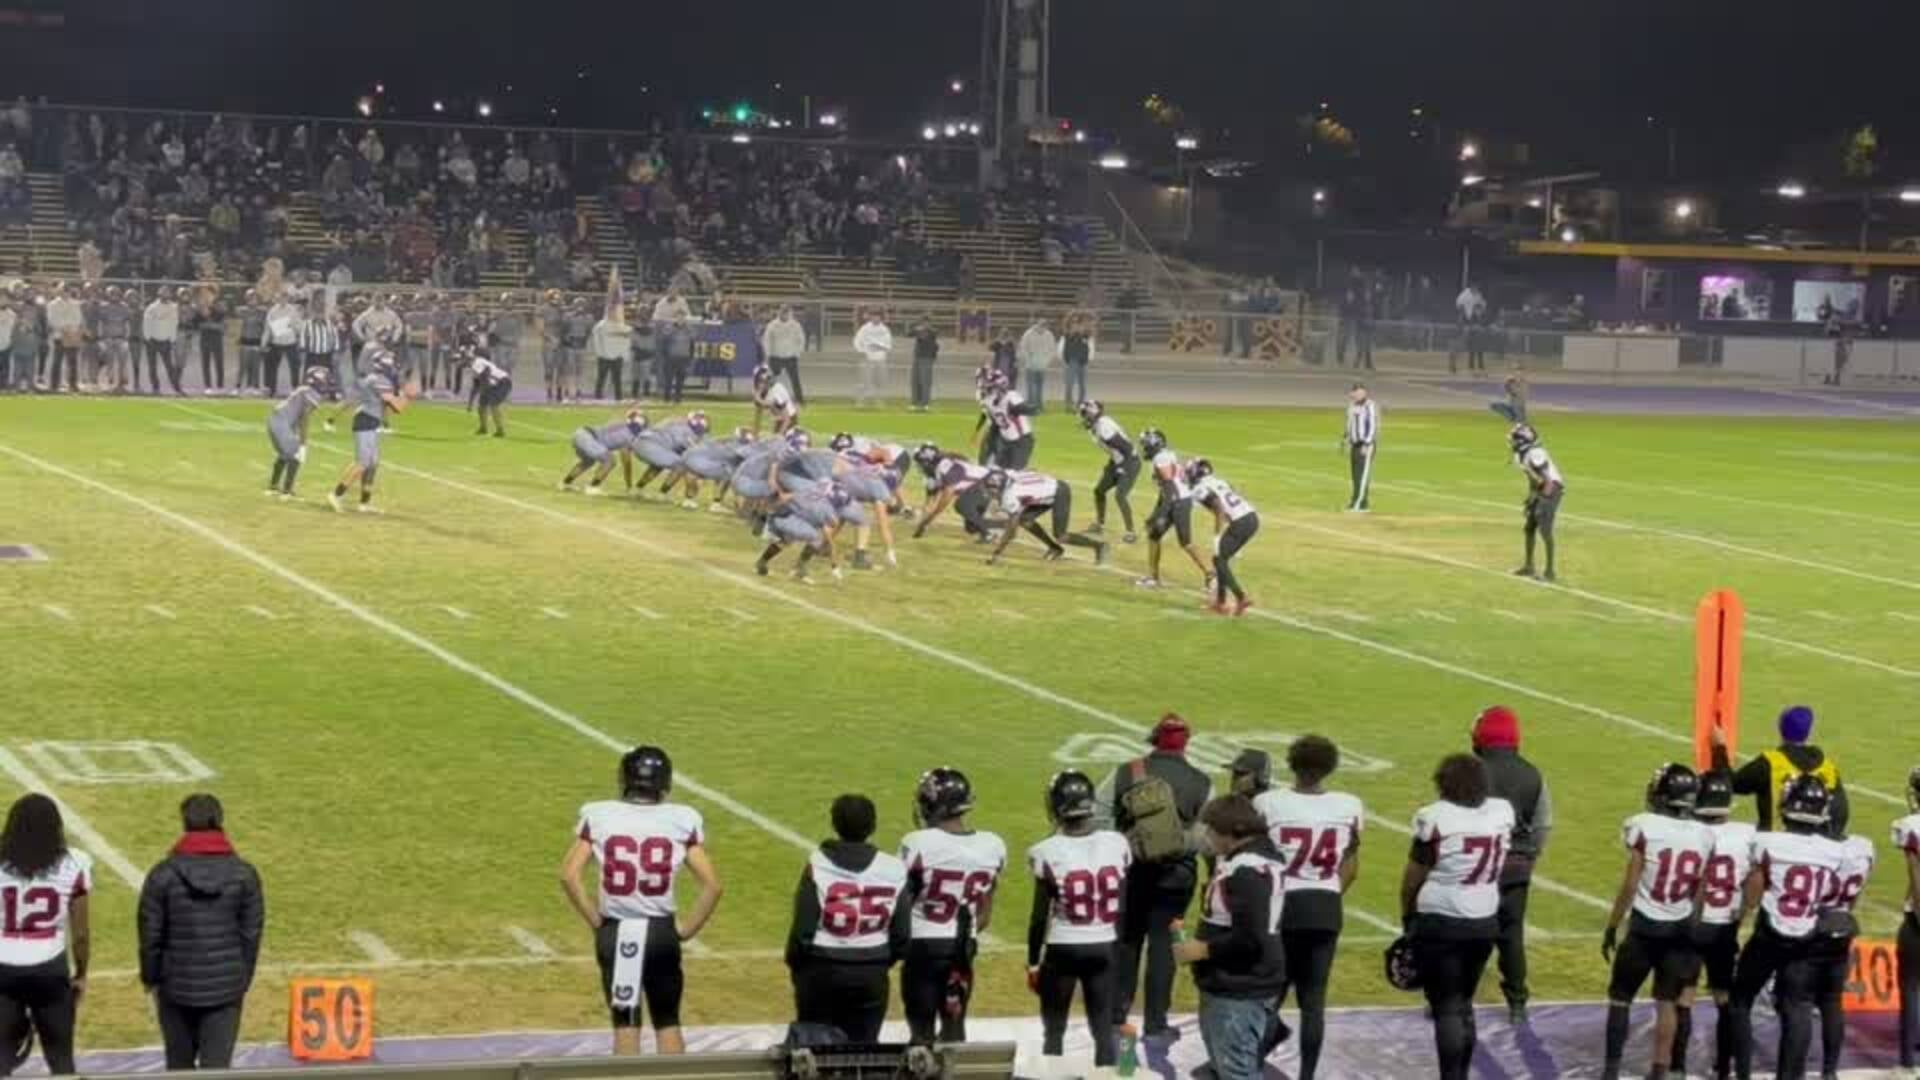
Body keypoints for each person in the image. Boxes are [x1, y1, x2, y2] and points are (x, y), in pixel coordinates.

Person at [561, 747, 722, 1057]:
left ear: (625, 779)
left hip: (617, 931)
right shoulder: (681, 818)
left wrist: (597, 922)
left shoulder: (600, 814)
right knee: (668, 1021)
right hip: (661, 932)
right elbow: (713, 886)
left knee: (626, 1024)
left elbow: (569, 876)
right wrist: (685, 931)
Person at [1095, 714, 1212, 1041]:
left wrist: (1128, 845)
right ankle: (1156, 1023)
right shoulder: (1202, 781)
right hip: (1178, 876)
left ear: (1155, 738)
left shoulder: (1126, 771)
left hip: (1131, 873)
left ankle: (1116, 1016)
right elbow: (1206, 837)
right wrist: (1175, 845)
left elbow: (1099, 815)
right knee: (1164, 948)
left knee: (1126, 942)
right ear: (1186, 743)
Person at [1253, 736, 1363, 1080]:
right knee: (1313, 1003)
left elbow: (1254, 857)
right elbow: (1351, 864)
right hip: (1325, 905)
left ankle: (1250, 1067)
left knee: (1270, 994)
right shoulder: (1348, 805)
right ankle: (1307, 1075)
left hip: (1282, 904)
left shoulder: (1268, 802)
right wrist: (1328, 892)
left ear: (1292, 763)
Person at [1401, 753, 1516, 1080]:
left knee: (1447, 1007)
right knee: (1464, 1002)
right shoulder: (1500, 812)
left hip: (1443, 919)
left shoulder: (1436, 818)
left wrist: (1408, 917)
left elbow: (1412, 878)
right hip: (1484, 918)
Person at [1729, 776, 1848, 1080]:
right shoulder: (1833, 851)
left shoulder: (1767, 842)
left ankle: (1741, 1073)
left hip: (1770, 934)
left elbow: (1752, 899)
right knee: (1798, 1008)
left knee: (1740, 1000)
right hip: (1806, 937)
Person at [136, 794, 264, 1071]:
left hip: (175, 988)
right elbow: (251, 935)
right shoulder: (244, 875)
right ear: (220, 822)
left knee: (179, 1068)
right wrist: (240, 979)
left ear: (185, 823)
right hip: (225, 990)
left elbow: (150, 934)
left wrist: (150, 976)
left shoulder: (163, 875)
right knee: (217, 1069)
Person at [1599, 765, 1711, 1080]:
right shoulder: (1704, 834)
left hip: (1645, 927)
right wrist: (1694, 930)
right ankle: (1660, 1069)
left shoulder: (1643, 826)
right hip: (1680, 927)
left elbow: (1631, 883)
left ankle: (1611, 1070)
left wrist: (1612, 925)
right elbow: (1700, 891)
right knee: (1667, 1003)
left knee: (1621, 999)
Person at [1174, 796, 1286, 1080]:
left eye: (1212, 830)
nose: (1208, 837)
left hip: (1239, 988)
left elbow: (1251, 938)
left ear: (1232, 831)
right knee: (1227, 1067)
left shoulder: (1246, 870)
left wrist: (1203, 950)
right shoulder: (1260, 858)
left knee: (1236, 1071)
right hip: (1241, 984)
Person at [1028, 771, 1130, 1073]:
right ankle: (1107, 1076)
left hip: (1064, 946)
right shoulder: (1117, 842)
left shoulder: (1046, 850)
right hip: (1104, 943)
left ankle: (1052, 1075)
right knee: (1103, 1028)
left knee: (1054, 1030)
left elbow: (1039, 916)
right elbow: (1122, 906)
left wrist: (1033, 961)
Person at [785, 794, 908, 1042]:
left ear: (834, 824)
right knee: (864, 1051)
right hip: (872, 971)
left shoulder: (818, 863)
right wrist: (878, 962)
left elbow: (803, 929)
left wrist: (798, 966)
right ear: (873, 826)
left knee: (815, 1046)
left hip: (822, 969)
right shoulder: (894, 867)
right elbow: (902, 934)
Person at [898, 769, 1005, 1044]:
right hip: (963, 947)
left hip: (923, 946)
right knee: (954, 1028)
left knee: (920, 1033)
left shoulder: (917, 843)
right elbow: (984, 916)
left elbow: (901, 903)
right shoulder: (993, 845)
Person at [1469, 705, 1552, 1025]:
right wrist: (1530, 855)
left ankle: (1457, 999)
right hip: (1517, 866)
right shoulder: (1533, 773)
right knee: (1511, 935)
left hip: (1477, 866)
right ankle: (1517, 1002)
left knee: (1471, 933)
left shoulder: (1471, 771)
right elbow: (1542, 824)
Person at [0, 794, 90, 1078]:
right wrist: (81, 973)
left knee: (0, 1060)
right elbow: (81, 934)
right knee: (61, 1060)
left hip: (3, 967)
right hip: (50, 966)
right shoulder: (75, 862)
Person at [1684, 768, 1755, 1080]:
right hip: (1725, 925)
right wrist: (1743, 912)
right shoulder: (1747, 835)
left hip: (1692, 924)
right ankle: (1724, 1068)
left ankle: (1675, 1067)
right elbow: (1756, 880)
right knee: (1725, 1000)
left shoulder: (1686, 831)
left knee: (1683, 998)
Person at [1709, 706, 1848, 834]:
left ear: (1780, 729)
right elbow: (1840, 816)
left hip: (1772, 844)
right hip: (1815, 846)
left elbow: (1731, 784)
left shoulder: (1769, 763)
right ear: (1809, 732)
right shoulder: (1829, 768)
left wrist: (1719, 747)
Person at [1809, 820, 1873, 1080]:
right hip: (1843, 925)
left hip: (1812, 927)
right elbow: (1855, 894)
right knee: (1832, 1002)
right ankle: (1829, 1071)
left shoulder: (1814, 848)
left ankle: (1792, 1069)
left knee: (1798, 1002)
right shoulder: (1862, 848)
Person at [324, 347, 415, 514]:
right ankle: (336, 495)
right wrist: (408, 396)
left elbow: (389, 406)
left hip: (369, 420)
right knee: (363, 462)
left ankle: (364, 503)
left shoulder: (374, 378)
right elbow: (397, 407)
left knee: (372, 463)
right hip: (366, 420)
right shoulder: (380, 380)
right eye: (392, 364)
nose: (394, 367)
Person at [1134, 429, 1216, 592]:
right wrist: (1155, 513)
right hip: (1175, 500)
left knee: (1186, 543)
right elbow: (1165, 490)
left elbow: (1170, 488)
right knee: (1154, 536)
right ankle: (1153, 577)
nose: (1144, 448)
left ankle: (1211, 574)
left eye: (1146, 445)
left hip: (1179, 502)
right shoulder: (1165, 456)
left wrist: (1159, 515)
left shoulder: (1160, 459)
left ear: (1154, 445)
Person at [980, 467, 1109, 566]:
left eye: (989, 489)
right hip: (1047, 489)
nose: (986, 491)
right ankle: (1055, 548)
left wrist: (997, 552)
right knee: (1025, 520)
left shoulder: (1010, 496)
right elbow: (1031, 469)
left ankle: (1099, 546)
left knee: (1061, 536)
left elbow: (1012, 532)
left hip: (1059, 492)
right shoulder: (1008, 475)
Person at [1187, 459, 1260, 616]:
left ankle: (1241, 597)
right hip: (1252, 517)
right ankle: (1221, 602)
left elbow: (1219, 508)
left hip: (1240, 523)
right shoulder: (1218, 481)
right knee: (1221, 560)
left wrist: (1217, 535)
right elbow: (1235, 492)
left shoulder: (1200, 488)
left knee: (1219, 560)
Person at [264, 366, 331, 499]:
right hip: (281, 423)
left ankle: (273, 487)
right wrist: (303, 443)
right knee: (296, 455)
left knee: (285, 454)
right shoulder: (312, 394)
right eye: (325, 379)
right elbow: (304, 418)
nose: (326, 382)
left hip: (275, 420)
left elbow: (295, 414)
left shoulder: (304, 390)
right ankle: (287, 491)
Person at [1509, 423, 1564, 583]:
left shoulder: (1535, 453)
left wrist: (1543, 500)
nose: (1512, 442)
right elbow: (1533, 479)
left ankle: (1549, 572)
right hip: (1541, 490)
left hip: (1551, 490)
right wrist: (1531, 498)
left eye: (1515, 439)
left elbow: (1548, 480)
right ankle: (1529, 566)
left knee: (1545, 530)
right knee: (1529, 528)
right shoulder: (1522, 455)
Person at [1078, 400, 1139, 543]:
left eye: (1085, 414)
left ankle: (1131, 532)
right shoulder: (1096, 426)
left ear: (1093, 413)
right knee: (1099, 491)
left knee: (1120, 496)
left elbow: (1127, 448)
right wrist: (1113, 464)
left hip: (1130, 461)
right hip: (1117, 460)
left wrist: (1123, 467)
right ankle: (1099, 525)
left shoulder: (1104, 427)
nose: (1084, 417)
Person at [1893, 767, 1920, 1074]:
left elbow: (1916, 874)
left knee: (1911, 986)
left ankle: (1908, 1063)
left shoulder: (1911, 826)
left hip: (1917, 918)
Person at [560, 409, 650, 494]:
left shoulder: (620, 424)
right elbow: (626, 463)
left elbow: (623, 420)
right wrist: (629, 485)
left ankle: (565, 483)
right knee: (610, 461)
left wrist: (632, 415)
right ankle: (592, 487)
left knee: (588, 461)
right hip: (588, 438)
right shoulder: (631, 437)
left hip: (580, 433)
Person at [978, 370, 1038, 470]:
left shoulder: (1011, 396)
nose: (987, 390)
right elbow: (995, 426)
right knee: (999, 470)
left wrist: (1023, 409)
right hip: (1005, 440)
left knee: (1014, 472)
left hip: (1022, 441)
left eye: (990, 388)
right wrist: (989, 446)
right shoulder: (988, 401)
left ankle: (1029, 475)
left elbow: (1027, 409)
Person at [1342, 384, 1379, 513]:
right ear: (1352, 394)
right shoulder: (1351, 406)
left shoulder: (1369, 405)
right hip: (1355, 444)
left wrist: (1367, 444)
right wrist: (1346, 440)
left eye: (1361, 392)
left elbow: (1373, 426)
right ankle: (1355, 501)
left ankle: (1361, 504)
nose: (1359, 395)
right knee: (1356, 475)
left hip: (1365, 445)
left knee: (1362, 475)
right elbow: (1349, 424)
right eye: (1357, 393)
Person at [143, 286, 184, 395]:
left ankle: (177, 388)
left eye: (167, 292)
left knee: (170, 367)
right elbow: (147, 323)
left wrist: (172, 339)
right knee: (152, 366)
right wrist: (148, 338)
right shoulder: (152, 307)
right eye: (163, 293)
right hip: (152, 340)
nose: (166, 295)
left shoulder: (173, 307)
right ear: (159, 294)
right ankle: (155, 388)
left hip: (166, 341)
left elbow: (174, 323)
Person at [762, 305, 806, 405]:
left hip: (791, 357)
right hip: (776, 356)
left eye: (786, 312)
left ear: (790, 313)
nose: (784, 314)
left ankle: (800, 400)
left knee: (795, 380)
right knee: (771, 379)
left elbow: (801, 339)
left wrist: (797, 353)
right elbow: (767, 340)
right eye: (782, 312)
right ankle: (763, 397)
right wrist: (768, 353)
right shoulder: (772, 325)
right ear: (779, 313)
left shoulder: (795, 325)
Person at [465, 347, 512, 438]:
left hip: (502, 382)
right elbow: (475, 386)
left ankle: (500, 430)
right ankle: (483, 428)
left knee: (494, 405)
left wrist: (484, 390)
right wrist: (470, 403)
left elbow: (485, 376)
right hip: (492, 384)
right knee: (482, 406)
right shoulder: (476, 365)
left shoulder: (478, 362)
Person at [589, 305, 631, 402]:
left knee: (617, 378)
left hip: (617, 356)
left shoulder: (621, 326)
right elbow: (596, 340)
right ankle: (598, 397)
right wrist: (599, 352)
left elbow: (626, 340)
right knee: (601, 377)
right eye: (611, 311)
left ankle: (618, 397)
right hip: (604, 355)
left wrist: (623, 354)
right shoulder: (600, 326)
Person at [852, 312, 892, 409]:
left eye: (878, 317)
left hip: (880, 359)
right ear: (871, 317)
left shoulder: (884, 329)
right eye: (874, 317)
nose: (876, 319)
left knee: (880, 381)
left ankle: (879, 401)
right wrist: (861, 351)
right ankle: (860, 401)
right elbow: (857, 341)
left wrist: (879, 346)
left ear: (880, 318)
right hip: (867, 358)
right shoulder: (865, 328)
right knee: (864, 381)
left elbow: (888, 345)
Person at [1017, 317, 1055, 411]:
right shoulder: (1028, 333)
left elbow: (1052, 349)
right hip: (1030, 365)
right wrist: (1028, 359)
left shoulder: (1049, 335)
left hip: (1042, 365)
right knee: (1030, 385)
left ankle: (1039, 404)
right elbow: (1023, 347)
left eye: (1044, 326)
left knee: (1039, 386)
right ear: (1038, 324)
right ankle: (1031, 404)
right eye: (1041, 325)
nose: (1042, 327)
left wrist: (1047, 361)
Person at [750, 363, 799, 436]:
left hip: (790, 418)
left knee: (779, 440)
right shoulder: (759, 393)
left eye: (763, 381)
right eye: (759, 381)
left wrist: (778, 437)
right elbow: (757, 418)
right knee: (772, 439)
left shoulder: (776, 391)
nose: (761, 384)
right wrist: (755, 435)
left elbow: (787, 419)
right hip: (779, 418)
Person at [908, 315, 939, 412]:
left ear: (929, 323)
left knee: (925, 381)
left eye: (926, 322)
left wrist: (922, 330)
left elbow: (930, 335)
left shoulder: (932, 332)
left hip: (927, 358)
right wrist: (915, 328)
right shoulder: (918, 331)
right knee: (915, 381)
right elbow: (908, 334)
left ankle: (925, 403)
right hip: (917, 357)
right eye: (922, 323)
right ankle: (914, 402)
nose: (924, 324)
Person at [1059, 320, 1093, 407]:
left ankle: (1080, 403)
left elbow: (1091, 348)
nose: (1077, 328)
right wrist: (1064, 361)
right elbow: (1060, 348)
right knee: (1069, 384)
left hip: (1083, 362)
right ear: (1071, 327)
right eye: (1075, 326)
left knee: (1082, 385)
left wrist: (1088, 360)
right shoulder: (1066, 337)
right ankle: (1069, 403)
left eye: (1079, 326)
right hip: (1071, 362)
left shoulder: (1087, 337)